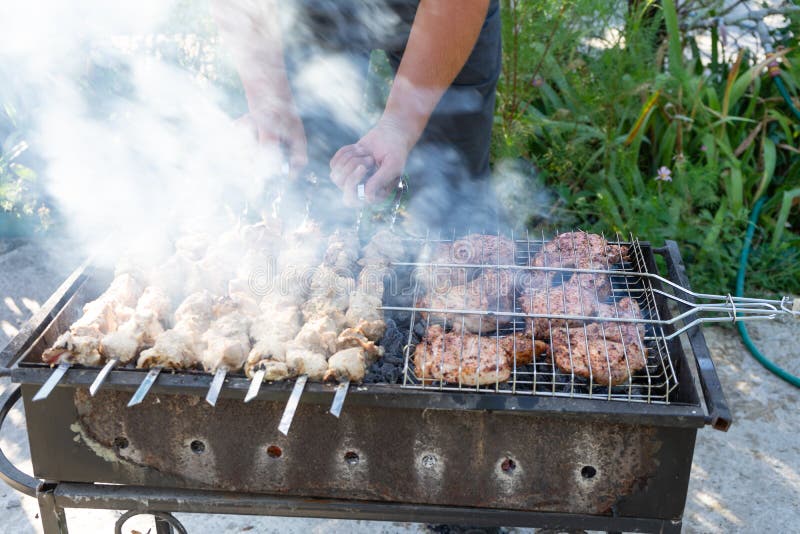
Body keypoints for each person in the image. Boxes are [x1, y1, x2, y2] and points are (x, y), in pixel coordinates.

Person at [213, 0, 502, 231]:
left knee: (455, 205)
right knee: (305, 188)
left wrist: (399, 126)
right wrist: (270, 104)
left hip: (446, 13)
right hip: (315, 8)